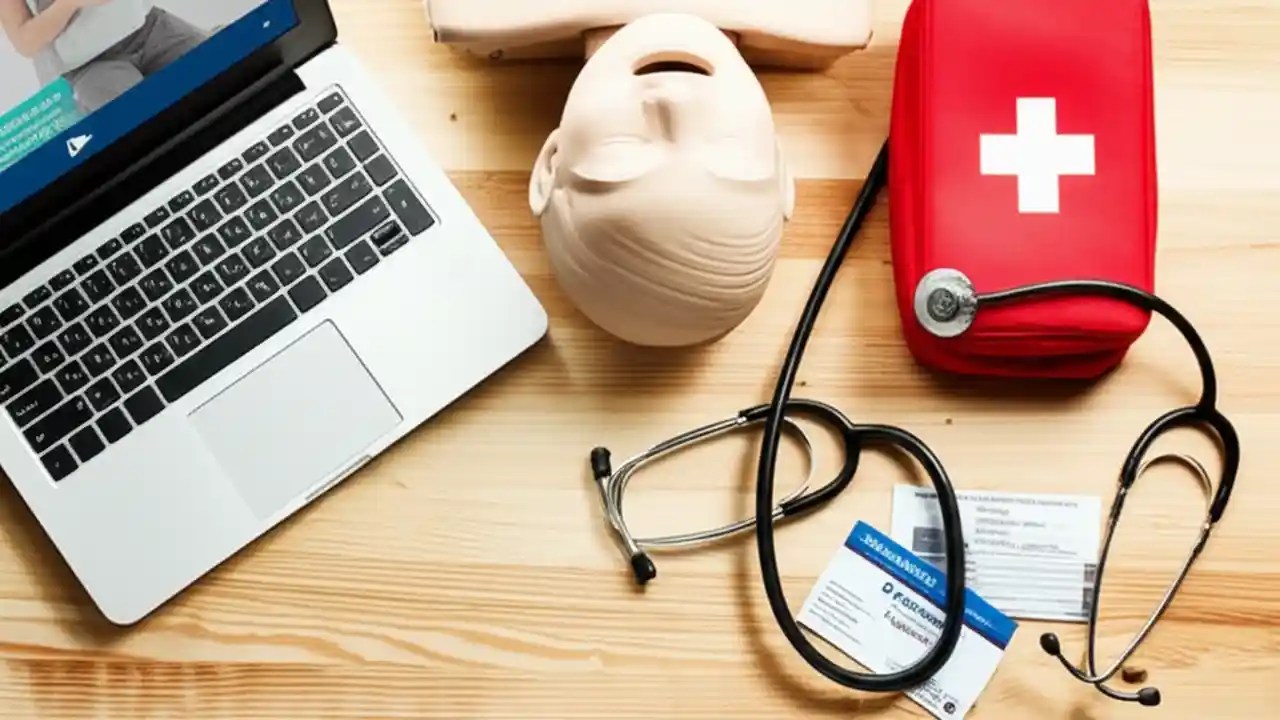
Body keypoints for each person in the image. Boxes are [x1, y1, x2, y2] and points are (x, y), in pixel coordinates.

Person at [0, 0, 207, 113]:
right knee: (139, 121)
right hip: (88, 64)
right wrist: (69, 3)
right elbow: (26, 42)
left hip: (148, 27)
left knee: (217, 69)